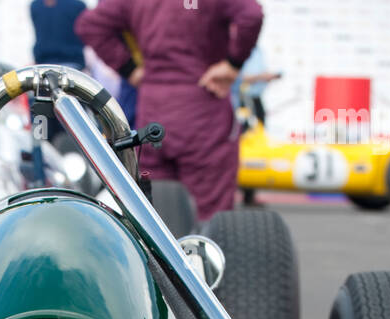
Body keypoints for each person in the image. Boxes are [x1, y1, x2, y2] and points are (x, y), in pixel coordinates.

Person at [76, 0, 264, 222]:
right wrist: (233, 64)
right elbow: (251, 14)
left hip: (153, 112)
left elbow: (90, 24)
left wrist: (131, 70)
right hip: (204, 109)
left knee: (154, 214)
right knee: (212, 217)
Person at [30, 0, 87, 70]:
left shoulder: (35, 5)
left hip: (42, 63)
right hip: (73, 62)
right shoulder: (78, 5)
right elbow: (86, 36)